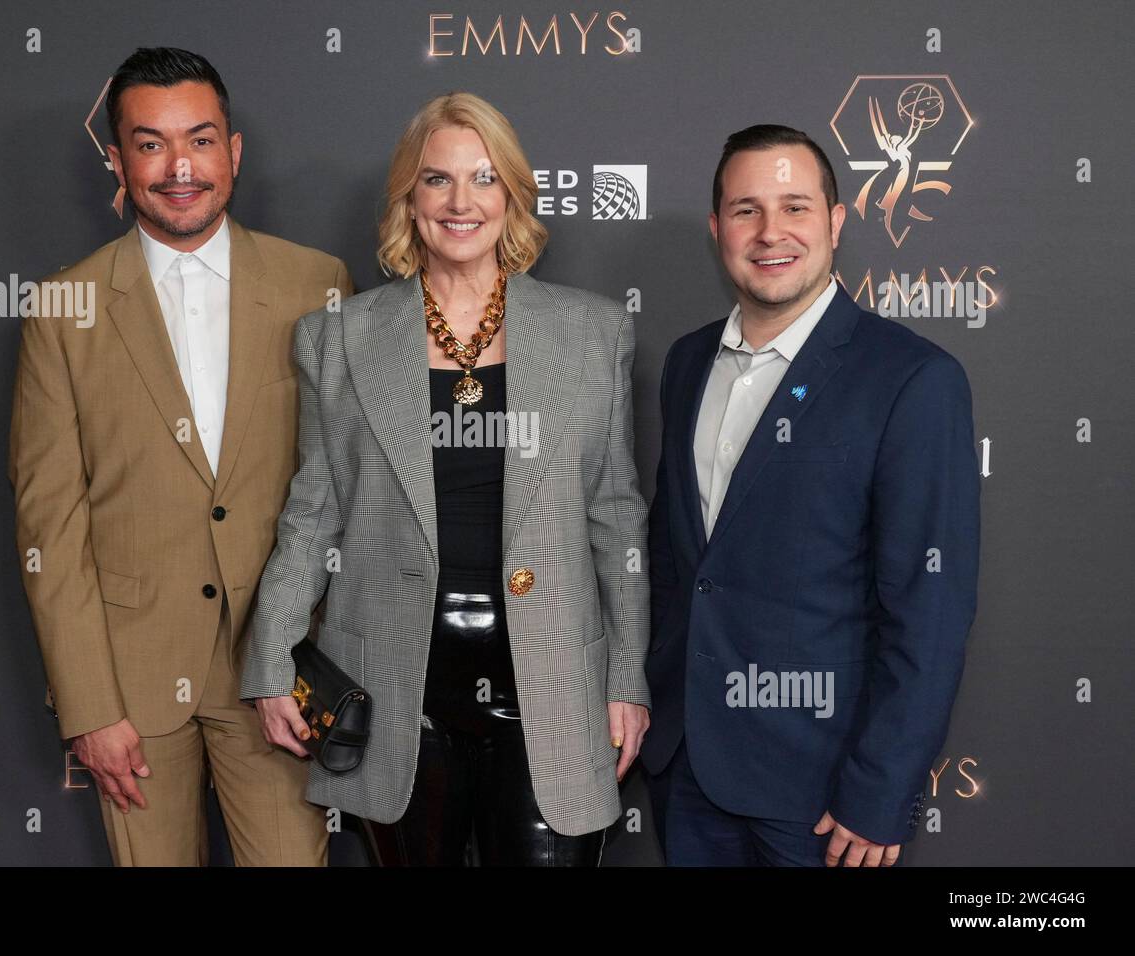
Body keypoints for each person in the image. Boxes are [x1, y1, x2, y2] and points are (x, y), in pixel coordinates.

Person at [239, 92, 650, 866]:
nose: (461, 202)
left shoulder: (593, 332)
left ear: (513, 197)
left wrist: (627, 679)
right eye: (437, 180)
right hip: (396, 686)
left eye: (484, 179)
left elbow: (616, 519)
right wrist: (270, 662)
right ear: (408, 197)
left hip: (553, 685)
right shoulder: (337, 339)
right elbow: (312, 513)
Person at [8, 47, 352, 866]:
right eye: (150, 143)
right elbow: (48, 522)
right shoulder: (64, 307)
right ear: (119, 160)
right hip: (130, 687)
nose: (179, 167)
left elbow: (345, 484)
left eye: (199, 140)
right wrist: (90, 706)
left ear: (232, 151)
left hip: (279, 672)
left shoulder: (318, 284)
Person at [642, 125, 979, 867]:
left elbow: (930, 610)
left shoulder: (913, 380)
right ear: (716, 228)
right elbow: (677, 562)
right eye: (746, 210)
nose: (771, 233)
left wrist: (881, 789)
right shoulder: (688, 361)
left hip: (822, 799)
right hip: (687, 771)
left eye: (795, 208)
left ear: (834, 222)